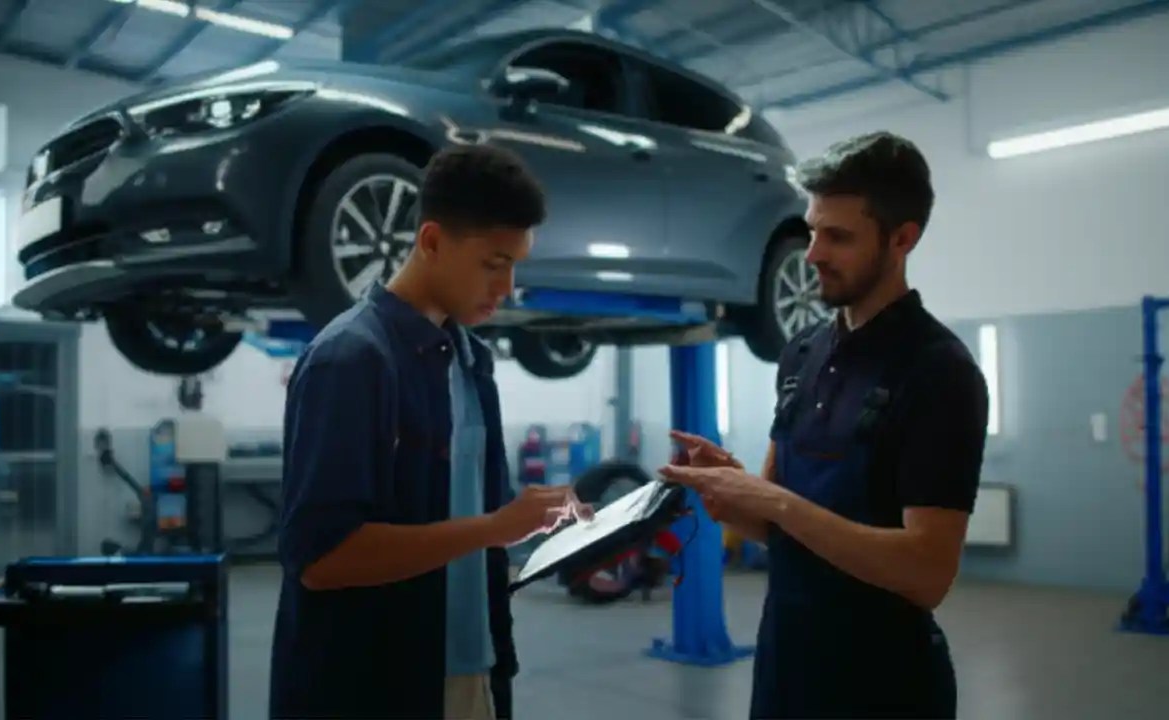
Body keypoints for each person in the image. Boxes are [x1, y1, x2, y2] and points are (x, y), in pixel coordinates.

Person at [661, 131, 989, 719]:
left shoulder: (939, 371)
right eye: (812, 231)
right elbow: (775, 526)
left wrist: (774, 502)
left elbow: (927, 572)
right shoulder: (801, 353)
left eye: (838, 237)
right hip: (785, 672)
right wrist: (729, 490)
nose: (812, 254)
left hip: (883, 690)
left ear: (902, 239)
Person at [269, 144, 590, 720]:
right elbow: (322, 557)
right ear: (433, 241)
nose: (508, 286)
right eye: (493, 264)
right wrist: (494, 527)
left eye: (516, 265)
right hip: (372, 691)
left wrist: (533, 521)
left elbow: (468, 523)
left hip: (474, 672)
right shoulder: (350, 360)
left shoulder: (472, 360)